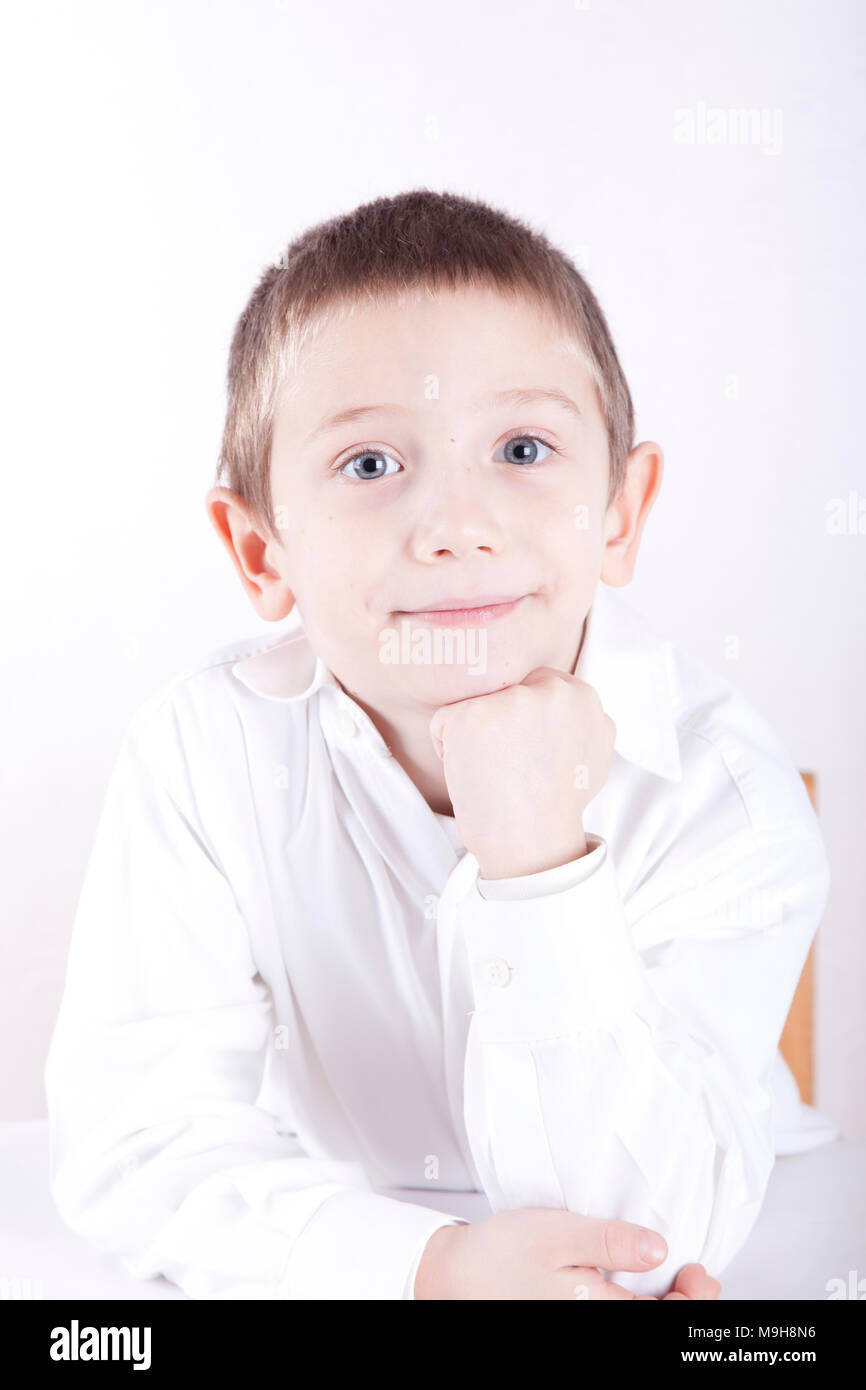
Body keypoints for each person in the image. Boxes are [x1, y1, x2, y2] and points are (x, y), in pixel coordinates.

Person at [44, 189, 829, 1300]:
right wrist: (430, 1269)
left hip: (768, 1222)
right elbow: (136, 1141)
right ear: (261, 551)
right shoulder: (204, 752)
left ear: (618, 512)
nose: (457, 525)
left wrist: (539, 865)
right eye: (370, 464)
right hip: (358, 1225)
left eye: (521, 448)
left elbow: (641, 1239)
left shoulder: (722, 792)